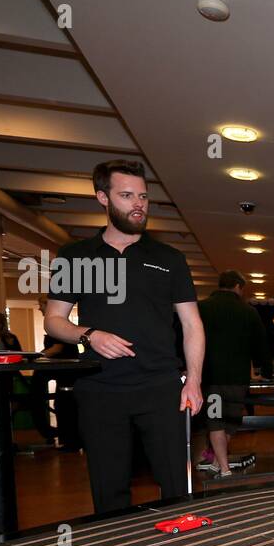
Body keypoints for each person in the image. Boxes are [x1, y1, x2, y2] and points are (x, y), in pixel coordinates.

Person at [44, 158, 205, 514]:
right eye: (127, 195)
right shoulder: (76, 257)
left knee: (177, 486)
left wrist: (193, 381)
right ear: (102, 198)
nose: (138, 204)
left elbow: (192, 325)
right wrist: (89, 335)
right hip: (99, 389)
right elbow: (53, 321)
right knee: (108, 489)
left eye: (143, 197)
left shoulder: (169, 258)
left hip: (161, 386)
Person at [196, 269, 270, 477]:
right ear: (238, 286)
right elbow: (261, 344)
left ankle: (223, 466)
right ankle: (223, 465)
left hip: (211, 378)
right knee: (231, 421)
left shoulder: (202, 308)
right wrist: (265, 369)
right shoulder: (248, 311)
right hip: (238, 380)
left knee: (215, 421)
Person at [30, 294, 82, 450]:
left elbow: (57, 349)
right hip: (65, 372)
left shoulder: (56, 325)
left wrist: (36, 357)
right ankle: (65, 438)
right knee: (62, 403)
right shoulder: (58, 325)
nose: (39, 308)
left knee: (64, 404)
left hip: (67, 373)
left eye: (41, 304)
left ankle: (68, 440)